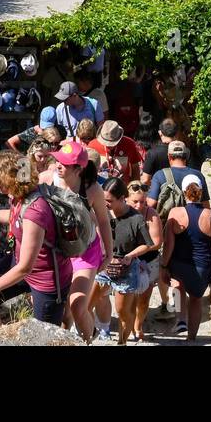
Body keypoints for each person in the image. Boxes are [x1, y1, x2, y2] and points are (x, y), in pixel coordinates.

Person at [0, 149, 72, 325]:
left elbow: (26, 267)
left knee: (46, 337)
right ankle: (3, 337)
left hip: (46, 280)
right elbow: (14, 217)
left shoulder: (35, 211)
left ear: (7, 179)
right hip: (19, 264)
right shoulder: (20, 194)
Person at [43, 139, 112, 342]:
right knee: (64, 313)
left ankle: (89, 339)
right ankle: (67, 339)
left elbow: (103, 221)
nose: (58, 166)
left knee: (77, 304)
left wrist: (109, 253)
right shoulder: (47, 179)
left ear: (78, 169)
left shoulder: (92, 189)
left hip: (85, 251)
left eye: (64, 163)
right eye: (58, 161)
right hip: (58, 251)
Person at [91, 178, 154, 345]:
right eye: (103, 199)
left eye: (109, 201)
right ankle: (89, 334)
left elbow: (147, 244)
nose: (105, 203)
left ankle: (122, 341)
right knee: (86, 303)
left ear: (122, 198)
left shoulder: (136, 218)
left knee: (123, 312)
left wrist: (130, 256)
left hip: (126, 268)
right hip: (104, 265)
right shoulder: (100, 211)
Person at [161, 175, 211, 341]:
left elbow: (168, 245)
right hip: (202, 266)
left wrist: (164, 266)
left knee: (177, 284)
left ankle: (181, 319)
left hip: (178, 264)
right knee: (196, 300)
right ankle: (191, 338)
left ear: (183, 192)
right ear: (201, 192)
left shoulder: (175, 213)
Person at [126, 180, 163, 342]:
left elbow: (157, 243)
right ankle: (129, 324)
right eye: (135, 201)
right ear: (126, 199)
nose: (139, 205)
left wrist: (138, 250)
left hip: (148, 262)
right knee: (129, 297)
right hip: (128, 262)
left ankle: (138, 325)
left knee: (143, 299)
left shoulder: (152, 214)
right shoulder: (121, 213)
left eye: (142, 202)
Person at [146, 137, 210, 206]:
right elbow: (206, 205)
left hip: (169, 216)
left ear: (169, 156)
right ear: (186, 156)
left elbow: (151, 203)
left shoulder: (160, 175)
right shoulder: (198, 175)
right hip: (192, 216)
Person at [91, 119, 143, 184]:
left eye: (112, 143)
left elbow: (135, 168)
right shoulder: (92, 146)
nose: (108, 145)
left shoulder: (129, 144)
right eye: (106, 142)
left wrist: (134, 186)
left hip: (123, 188)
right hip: (100, 190)